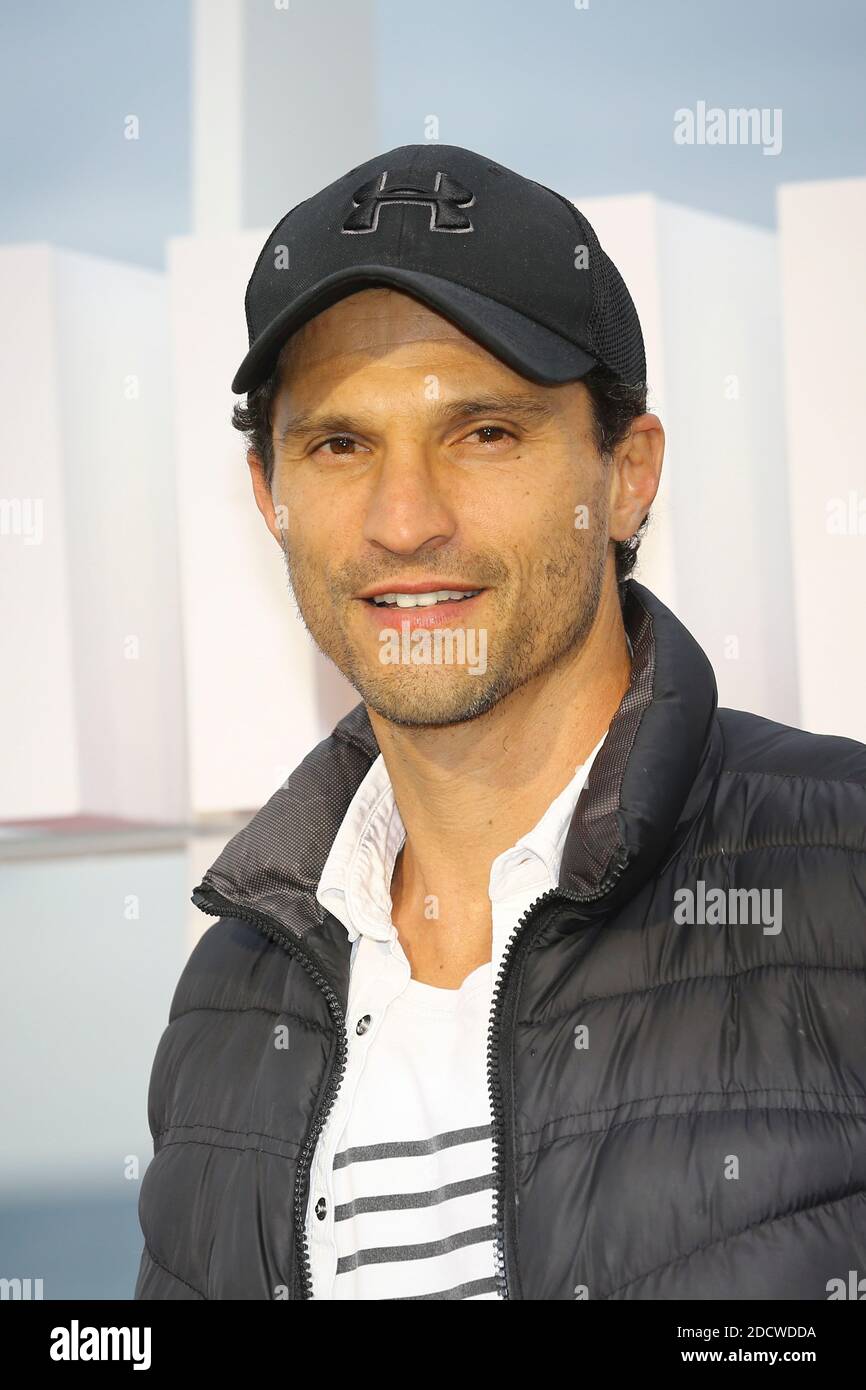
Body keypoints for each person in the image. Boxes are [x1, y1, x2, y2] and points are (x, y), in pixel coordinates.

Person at [135, 144, 866, 1301]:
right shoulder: (232, 993)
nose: (404, 520)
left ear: (627, 473)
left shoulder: (844, 870)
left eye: (484, 432)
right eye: (339, 443)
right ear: (269, 496)